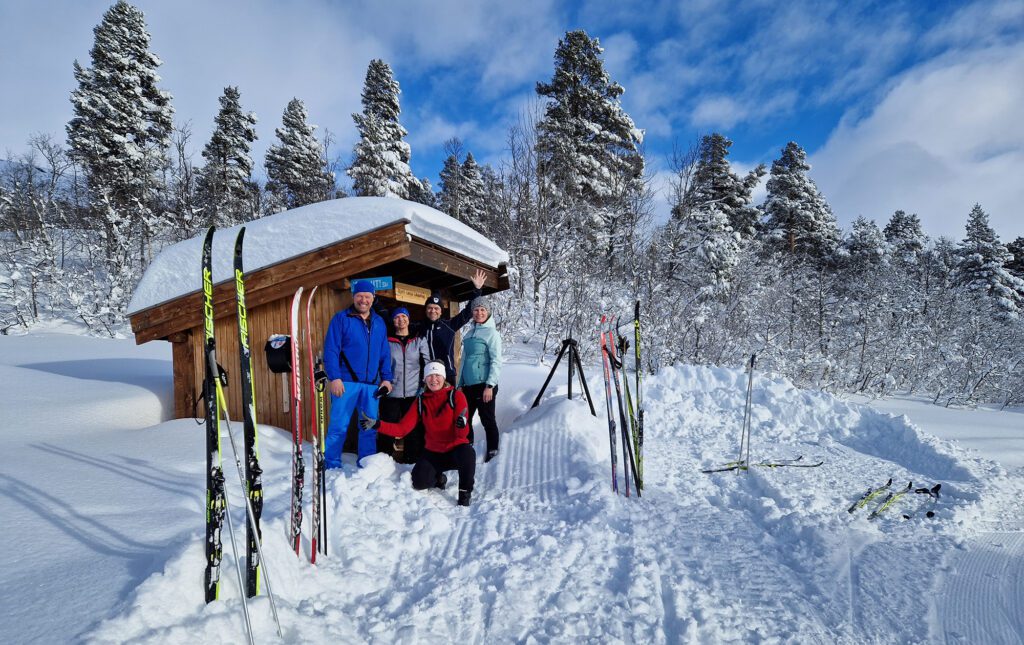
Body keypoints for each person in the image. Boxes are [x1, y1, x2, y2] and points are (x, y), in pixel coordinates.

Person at [361, 361, 475, 506]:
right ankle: (439, 478)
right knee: (419, 482)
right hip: (433, 452)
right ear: (425, 379)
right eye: (430, 376)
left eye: (437, 375)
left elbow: (462, 435)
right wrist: (377, 424)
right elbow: (402, 429)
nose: (434, 379)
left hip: (455, 450)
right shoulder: (421, 401)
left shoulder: (456, 396)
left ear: (444, 377)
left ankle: (465, 494)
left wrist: (462, 424)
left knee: (468, 454)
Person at [323, 279, 393, 468]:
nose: (363, 300)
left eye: (367, 296)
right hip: (345, 383)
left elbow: (384, 353)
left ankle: (366, 464)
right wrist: (334, 377)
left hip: (372, 385)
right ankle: (331, 464)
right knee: (339, 426)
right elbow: (331, 349)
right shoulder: (341, 319)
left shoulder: (379, 322)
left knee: (368, 427)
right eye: (359, 296)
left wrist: (386, 378)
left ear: (373, 298)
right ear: (353, 296)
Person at [421, 269, 486, 385]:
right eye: (430, 308)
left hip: (447, 375)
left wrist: (477, 290)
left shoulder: (449, 326)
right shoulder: (420, 327)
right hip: (426, 376)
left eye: (436, 308)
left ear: (441, 312)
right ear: (426, 310)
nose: (433, 311)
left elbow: (467, 313)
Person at [457, 295, 503, 463]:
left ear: (488, 312)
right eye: (476, 310)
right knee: (465, 419)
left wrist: (490, 385)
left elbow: (496, 360)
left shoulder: (492, 334)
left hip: (485, 385)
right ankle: (467, 448)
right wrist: (459, 384)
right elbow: (463, 361)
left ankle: (493, 450)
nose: (479, 313)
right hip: (468, 386)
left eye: (483, 310)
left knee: (487, 419)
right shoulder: (469, 334)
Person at [382, 306, 428, 463]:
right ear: (393, 321)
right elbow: (382, 363)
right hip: (391, 393)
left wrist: (424, 386)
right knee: (387, 427)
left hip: (413, 393)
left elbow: (426, 363)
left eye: (403, 316)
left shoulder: (418, 340)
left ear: (408, 319)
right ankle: (383, 460)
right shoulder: (387, 341)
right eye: (397, 317)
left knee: (413, 429)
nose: (400, 320)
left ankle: (412, 459)